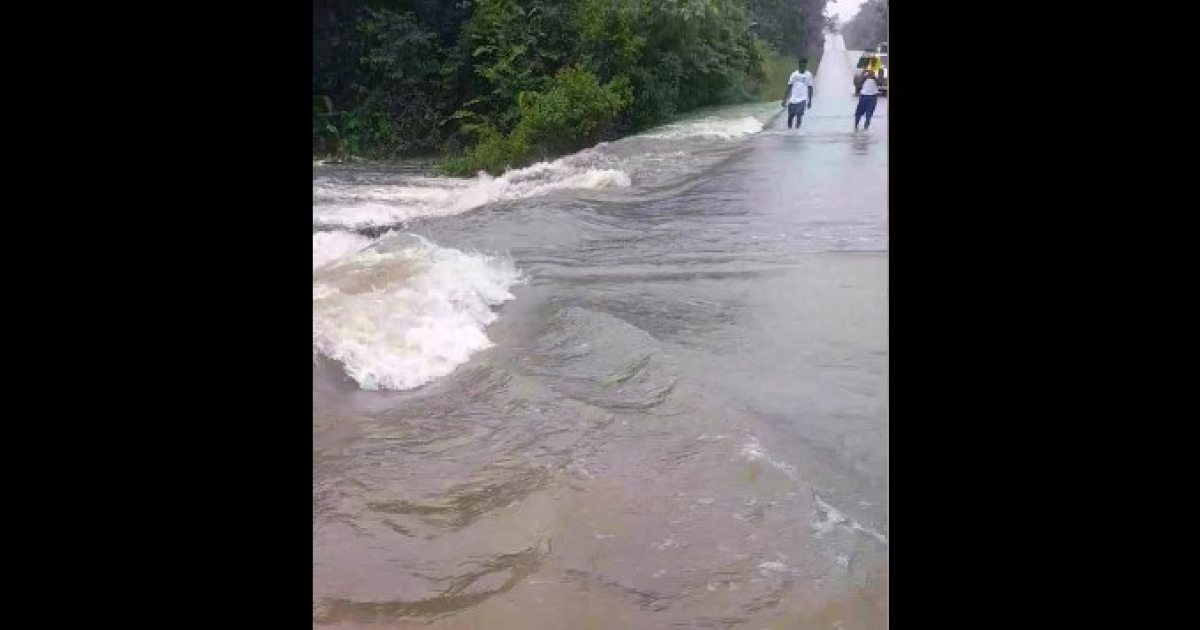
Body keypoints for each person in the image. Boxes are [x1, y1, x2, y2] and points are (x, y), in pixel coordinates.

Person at [781, 58, 814, 130]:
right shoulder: (794, 74)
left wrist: (810, 101)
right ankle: (789, 129)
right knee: (790, 116)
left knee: (799, 115)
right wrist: (784, 99)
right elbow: (789, 86)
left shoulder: (808, 75)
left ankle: (797, 130)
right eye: (801, 64)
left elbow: (810, 88)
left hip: (802, 99)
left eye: (804, 64)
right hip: (793, 99)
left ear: (806, 65)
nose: (803, 65)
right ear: (799, 64)